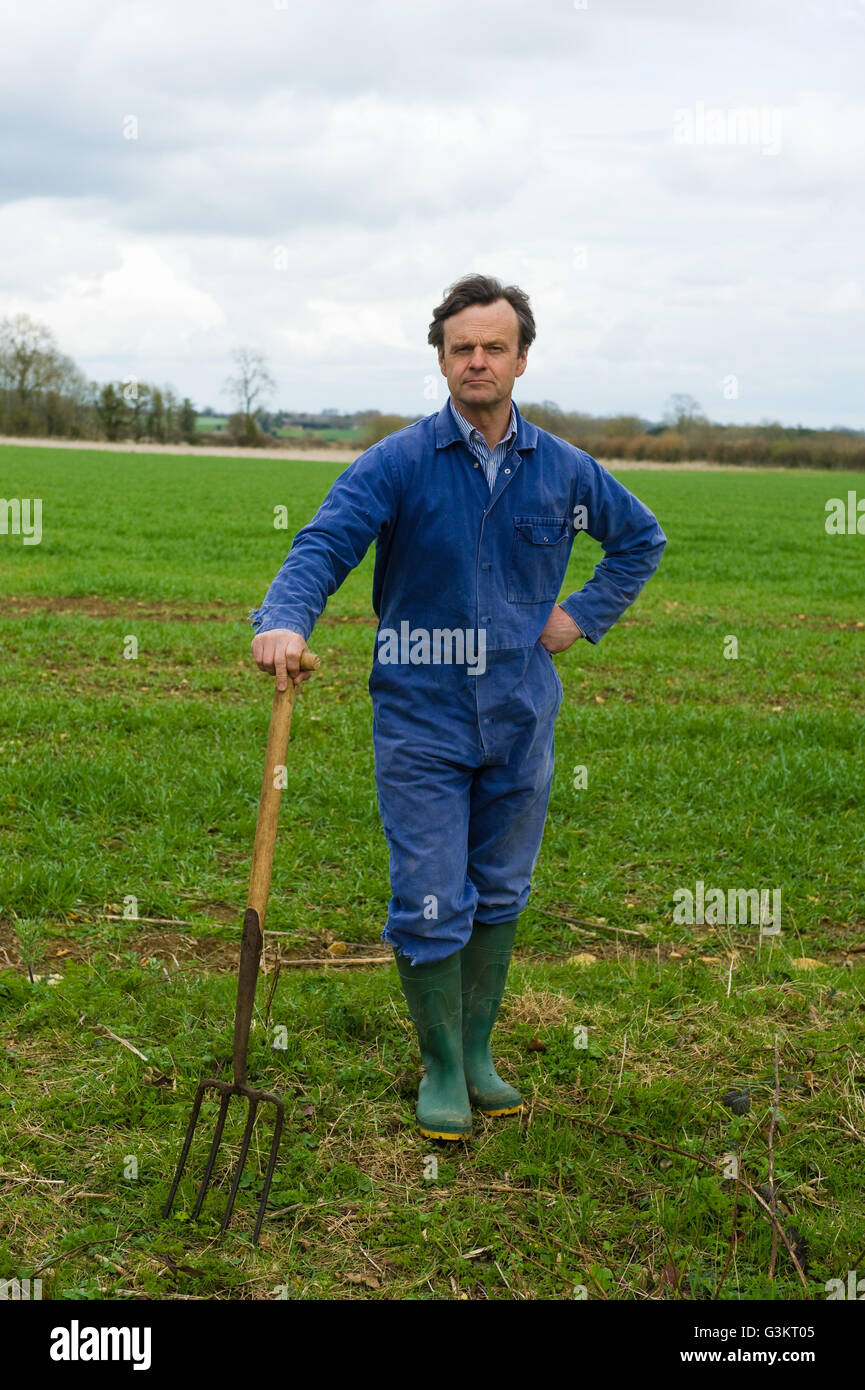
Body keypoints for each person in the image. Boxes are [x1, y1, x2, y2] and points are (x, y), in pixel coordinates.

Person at [250, 273, 666, 1140]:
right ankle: (440, 1064)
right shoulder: (398, 463)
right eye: (461, 347)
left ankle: (477, 1053)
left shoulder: (563, 470)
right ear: (440, 358)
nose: (477, 360)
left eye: (494, 346)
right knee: (430, 898)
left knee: (501, 891)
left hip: (520, 714)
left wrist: (580, 615)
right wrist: (286, 620)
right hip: (421, 716)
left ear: (520, 357)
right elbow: (325, 543)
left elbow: (639, 540)